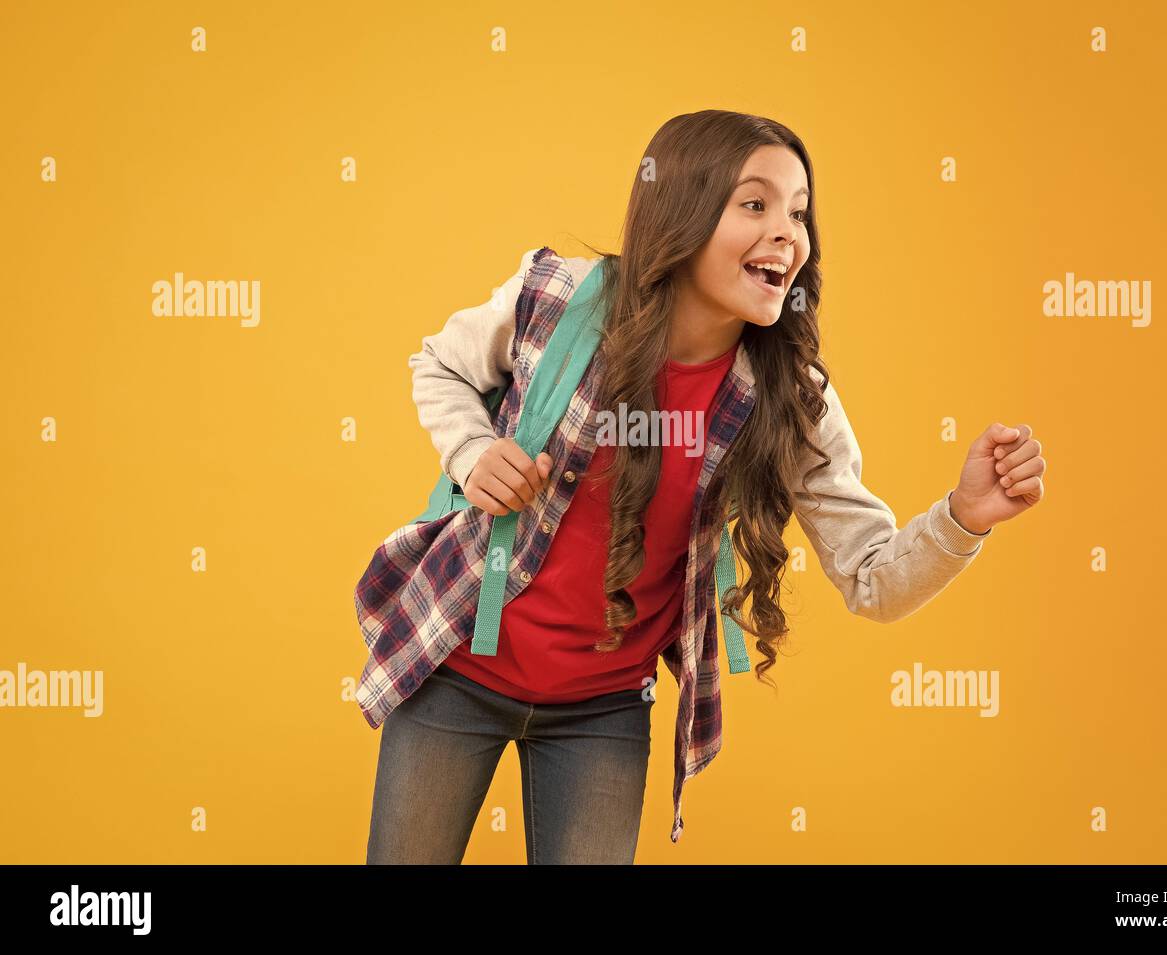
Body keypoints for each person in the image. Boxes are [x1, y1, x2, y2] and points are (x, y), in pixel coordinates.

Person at [357, 109, 1047, 864]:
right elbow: (439, 364)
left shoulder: (788, 394)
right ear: (680, 213)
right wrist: (473, 451)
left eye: (798, 211)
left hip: (601, 709)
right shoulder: (560, 297)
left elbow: (872, 578)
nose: (787, 231)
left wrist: (963, 518)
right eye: (755, 204)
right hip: (458, 664)